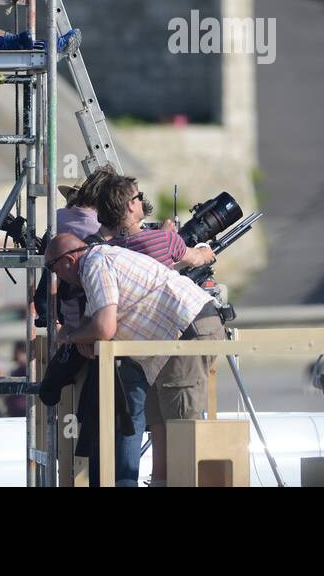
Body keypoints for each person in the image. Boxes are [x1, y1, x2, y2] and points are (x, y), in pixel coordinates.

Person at [44, 232, 225, 487]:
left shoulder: (96, 264)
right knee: (162, 426)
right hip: (171, 343)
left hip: (185, 333)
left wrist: (70, 337)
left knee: (182, 432)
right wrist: (84, 333)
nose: (56, 276)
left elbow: (104, 328)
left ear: (68, 260)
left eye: (53, 269)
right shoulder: (97, 263)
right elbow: (93, 321)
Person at [95, 175, 217, 272]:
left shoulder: (107, 251)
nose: (142, 201)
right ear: (130, 205)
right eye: (139, 196)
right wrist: (205, 252)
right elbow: (196, 259)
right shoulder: (165, 240)